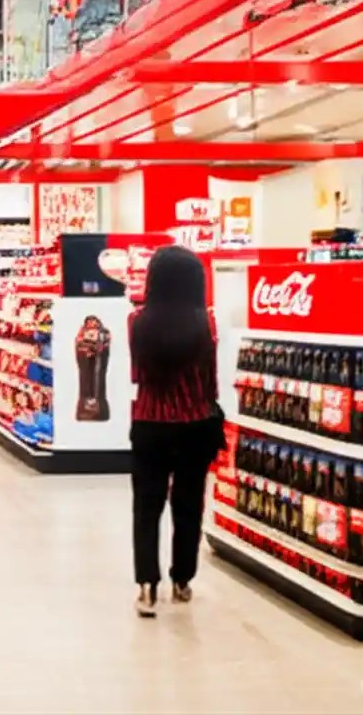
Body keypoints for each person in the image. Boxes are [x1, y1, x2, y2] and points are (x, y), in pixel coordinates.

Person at [128, 245, 224, 618]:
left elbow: (137, 375)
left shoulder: (137, 321)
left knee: (146, 507)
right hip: (195, 423)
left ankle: (147, 587)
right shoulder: (207, 323)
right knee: (188, 505)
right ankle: (182, 580)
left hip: (150, 423)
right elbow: (210, 381)